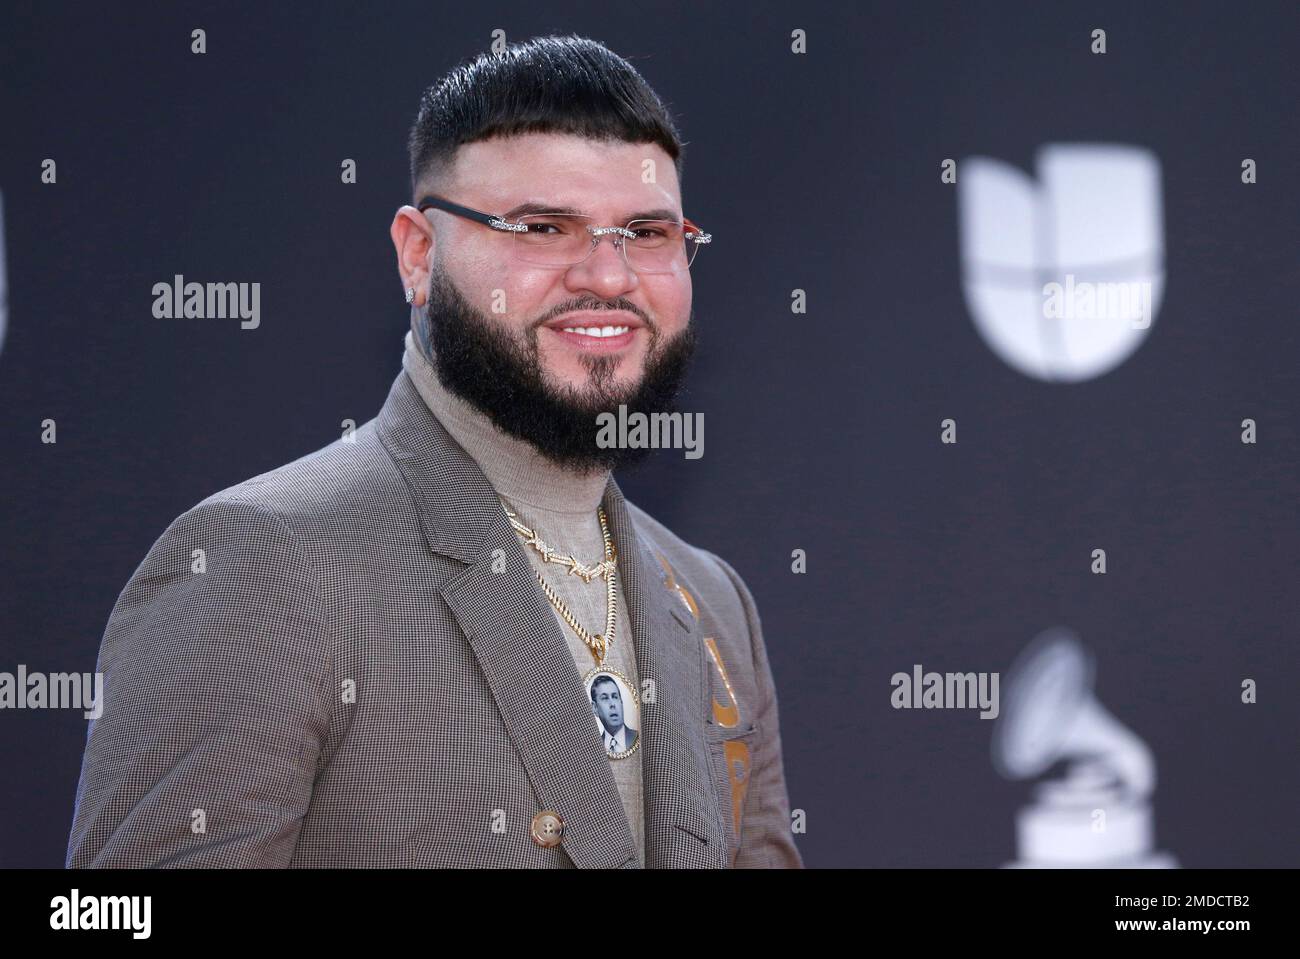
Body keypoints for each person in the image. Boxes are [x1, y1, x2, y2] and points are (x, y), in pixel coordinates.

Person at [66, 34, 801, 869]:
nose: (608, 274)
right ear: (420, 254)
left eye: (646, 231)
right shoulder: (260, 562)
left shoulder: (711, 600)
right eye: (542, 226)